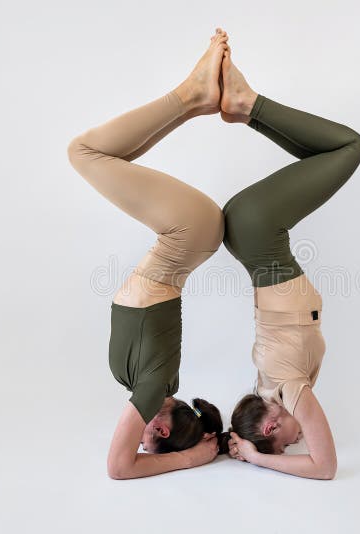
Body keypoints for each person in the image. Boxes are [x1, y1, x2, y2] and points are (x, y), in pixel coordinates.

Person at [66, 28, 231, 479]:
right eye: (147, 440)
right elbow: (119, 468)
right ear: (159, 428)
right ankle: (190, 94)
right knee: (84, 152)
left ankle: (195, 100)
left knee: (102, 155)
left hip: (187, 237)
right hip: (187, 233)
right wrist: (192, 457)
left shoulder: (144, 383)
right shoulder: (154, 389)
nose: (137, 439)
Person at [217, 42, 360, 480]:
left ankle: (248, 104)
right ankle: (246, 109)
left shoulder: (286, 390)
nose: (295, 443)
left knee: (349, 147)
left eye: (286, 443)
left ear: (272, 425)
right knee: (327, 155)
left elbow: (325, 468)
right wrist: (242, 443)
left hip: (259, 232)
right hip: (253, 235)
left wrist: (259, 456)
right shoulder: (272, 387)